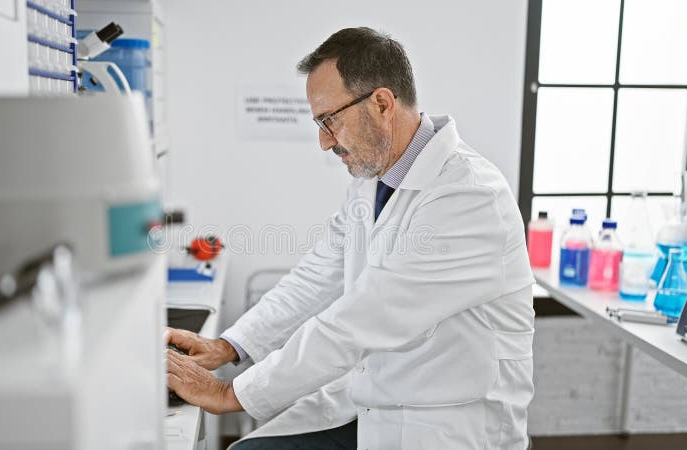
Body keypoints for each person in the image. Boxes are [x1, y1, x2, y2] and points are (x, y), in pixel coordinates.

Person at [166, 27, 535, 450]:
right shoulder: (372, 180)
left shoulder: (469, 197)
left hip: (448, 424)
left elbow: (364, 317)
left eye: (330, 120)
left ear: (381, 103)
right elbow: (319, 275)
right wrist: (229, 346)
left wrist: (232, 393)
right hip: (376, 406)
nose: (324, 142)